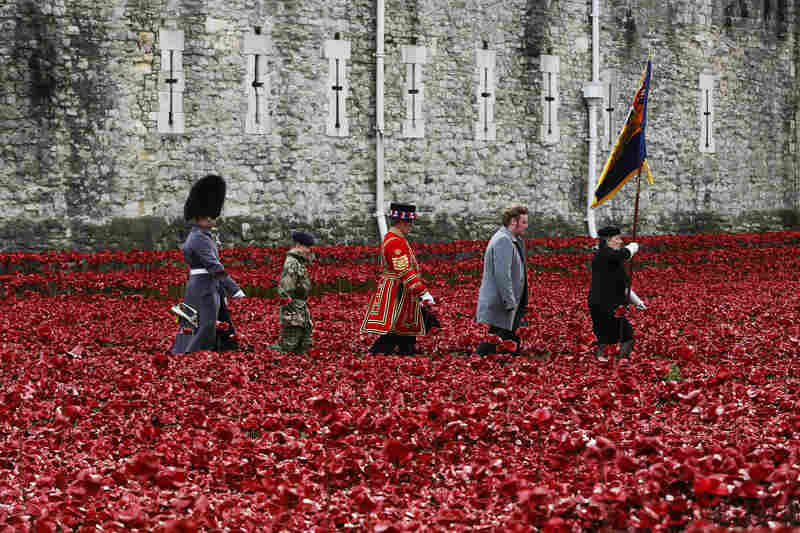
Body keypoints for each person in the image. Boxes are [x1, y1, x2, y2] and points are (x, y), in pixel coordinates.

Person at [171, 174, 245, 354]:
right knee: (205, 324)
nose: (215, 219)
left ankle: (215, 349)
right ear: (205, 216)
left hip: (203, 286)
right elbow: (214, 266)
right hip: (204, 288)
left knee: (202, 322)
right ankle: (192, 353)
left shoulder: (201, 236)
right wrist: (233, 289)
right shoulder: (200, 238)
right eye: (212, 216)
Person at [361, 203, 435, 355]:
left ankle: (407, 353)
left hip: (400, 289)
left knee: (404, 328)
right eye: (409, 222)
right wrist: (422, 292)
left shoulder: (395, 238)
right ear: (401, 222)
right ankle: (376, 355)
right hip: (398, 291)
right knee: (396, 330)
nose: (411, 226)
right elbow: (404, 271)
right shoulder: (396, 241)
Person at [474, 205, 529, 355]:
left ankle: (508, 364)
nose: (526, 226)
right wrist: (510, 302)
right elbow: (502, 275)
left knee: (508, 336)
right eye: (523, 222)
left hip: (509, 301)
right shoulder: (503, 241)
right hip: (504, 302)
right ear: (513, 222)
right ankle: (476, 359)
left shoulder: (511, 239)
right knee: (500, 337)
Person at [588, 226, 646, 358]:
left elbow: (623, 285)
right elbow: (623, 254)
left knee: (606, 338)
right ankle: (620, 365)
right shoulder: (604, 254)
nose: (620, 241)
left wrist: (637, 301)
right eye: (617, 238)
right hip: (606, 304)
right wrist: (632, 248)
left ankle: (604, 365)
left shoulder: (610, 259)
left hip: (603, 304)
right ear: (608, 240)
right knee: (627, 336)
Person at [270, 231, 315, 354]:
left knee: (304, 345)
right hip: (294, 312)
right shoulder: (292, 263)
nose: (309, 250)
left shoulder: (298, 262)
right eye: (307, 247)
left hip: (300, 309)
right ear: (298, 245)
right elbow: (285, 291)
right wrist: (293, 316)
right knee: (288, 346)